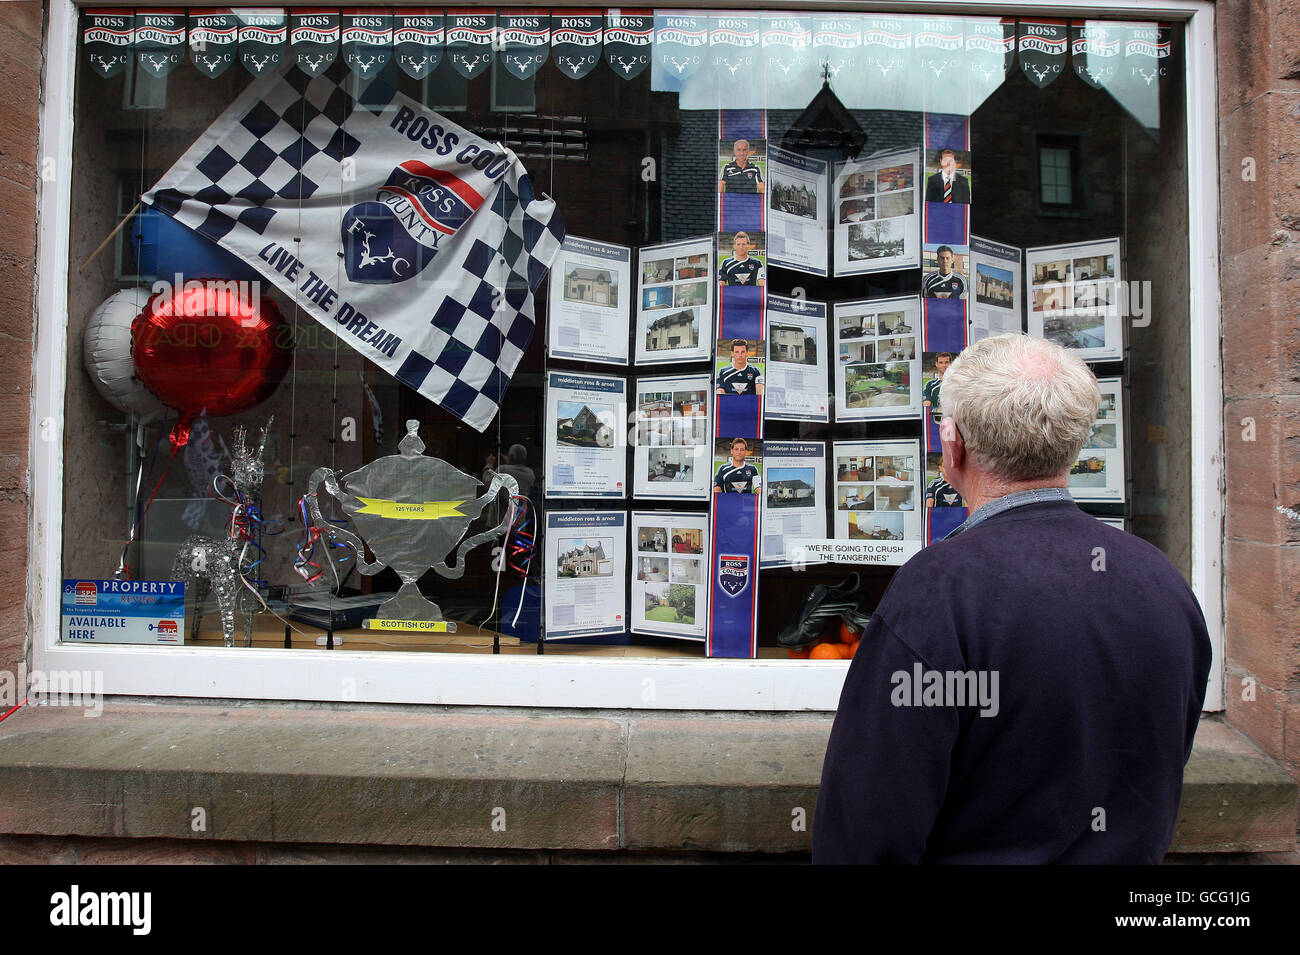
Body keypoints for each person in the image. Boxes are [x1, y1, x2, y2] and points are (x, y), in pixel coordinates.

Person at [813, 335, 1211, 864]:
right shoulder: (1161, 581)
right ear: (1074, 444)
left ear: (951, 444)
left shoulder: (939, 590)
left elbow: (865, 828)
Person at [922, 352, 952, 418]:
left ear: (950, 364)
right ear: (936, 364)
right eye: (941, 362)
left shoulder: (957, 384)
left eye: (946, 362)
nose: (944, 365)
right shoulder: (930, 385)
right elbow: (926, 404)